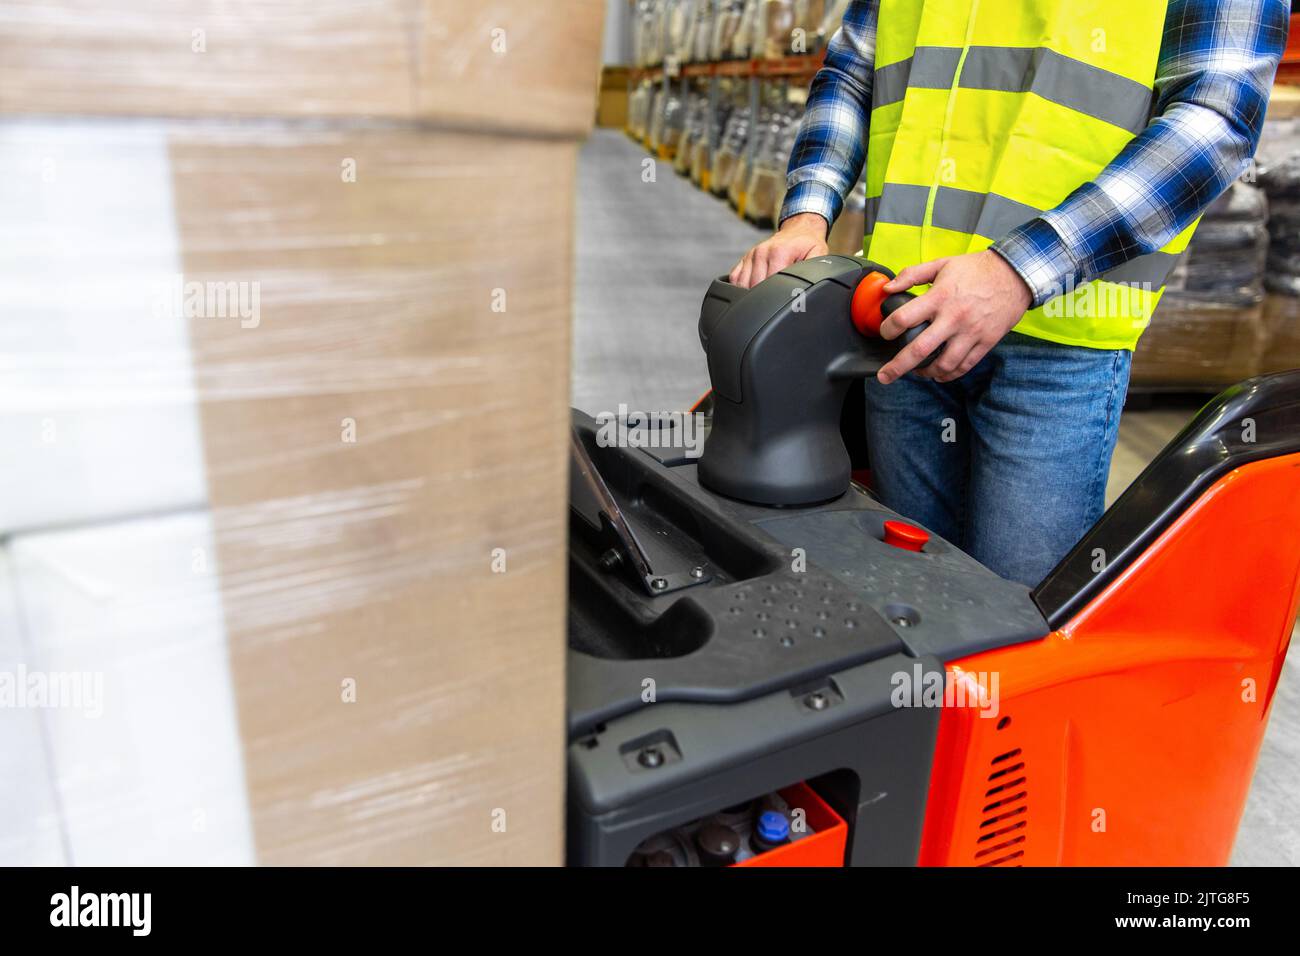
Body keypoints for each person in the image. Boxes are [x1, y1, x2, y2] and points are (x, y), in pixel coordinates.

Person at [729, 0, 1289, 586]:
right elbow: (853, 69)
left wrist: (1019, 269)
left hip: (1058, 338)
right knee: (905, 590)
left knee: (1015, 613)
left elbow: (1213, 120)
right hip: (904, 317)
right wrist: (808, 212)